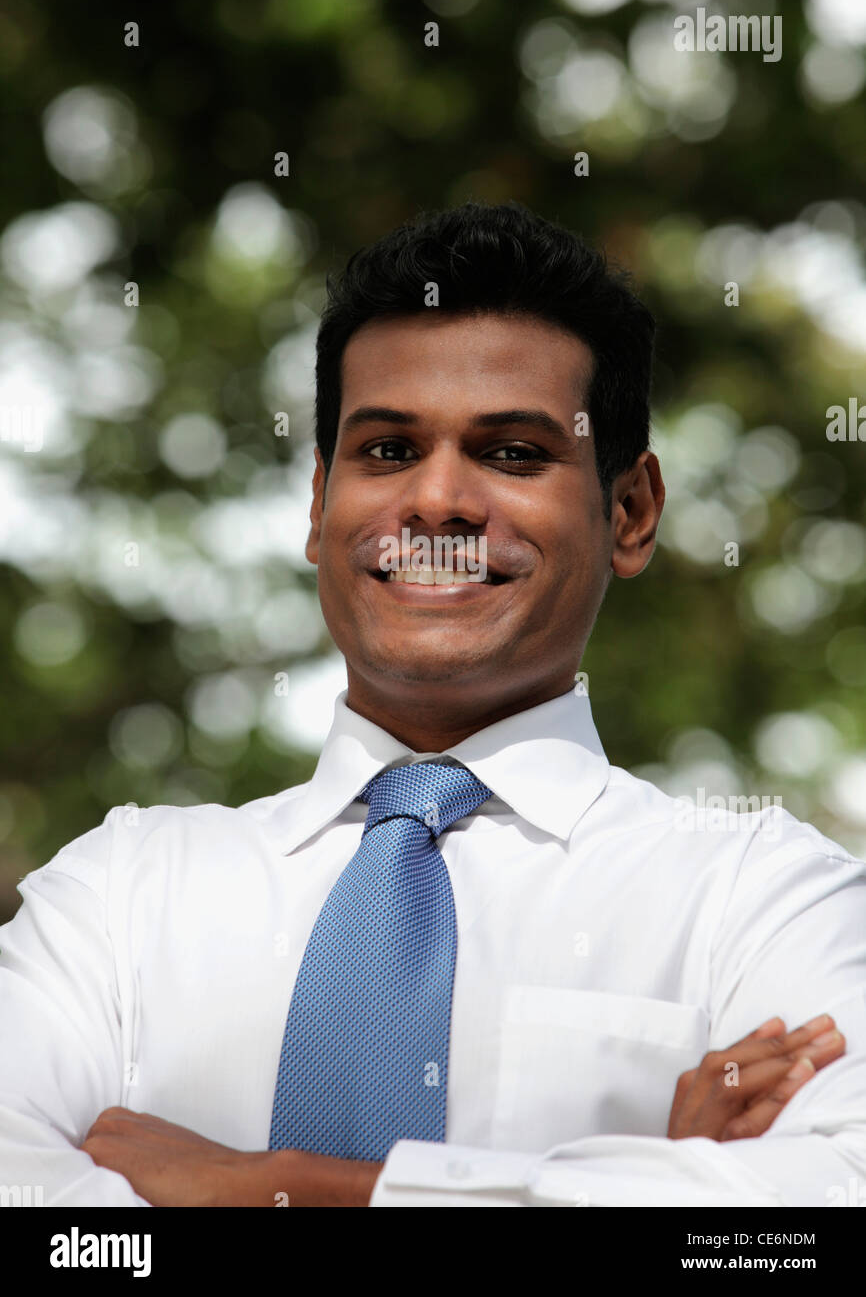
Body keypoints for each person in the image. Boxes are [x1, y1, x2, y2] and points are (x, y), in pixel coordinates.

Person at [1, 202, 864, 1208]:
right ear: (318, 506)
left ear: (628, 512)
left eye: (510, 453)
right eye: (386, 451)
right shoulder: (117, 895)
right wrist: (626, 1182)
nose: (438, 501)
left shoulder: (758, 893)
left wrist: (281, 1185)